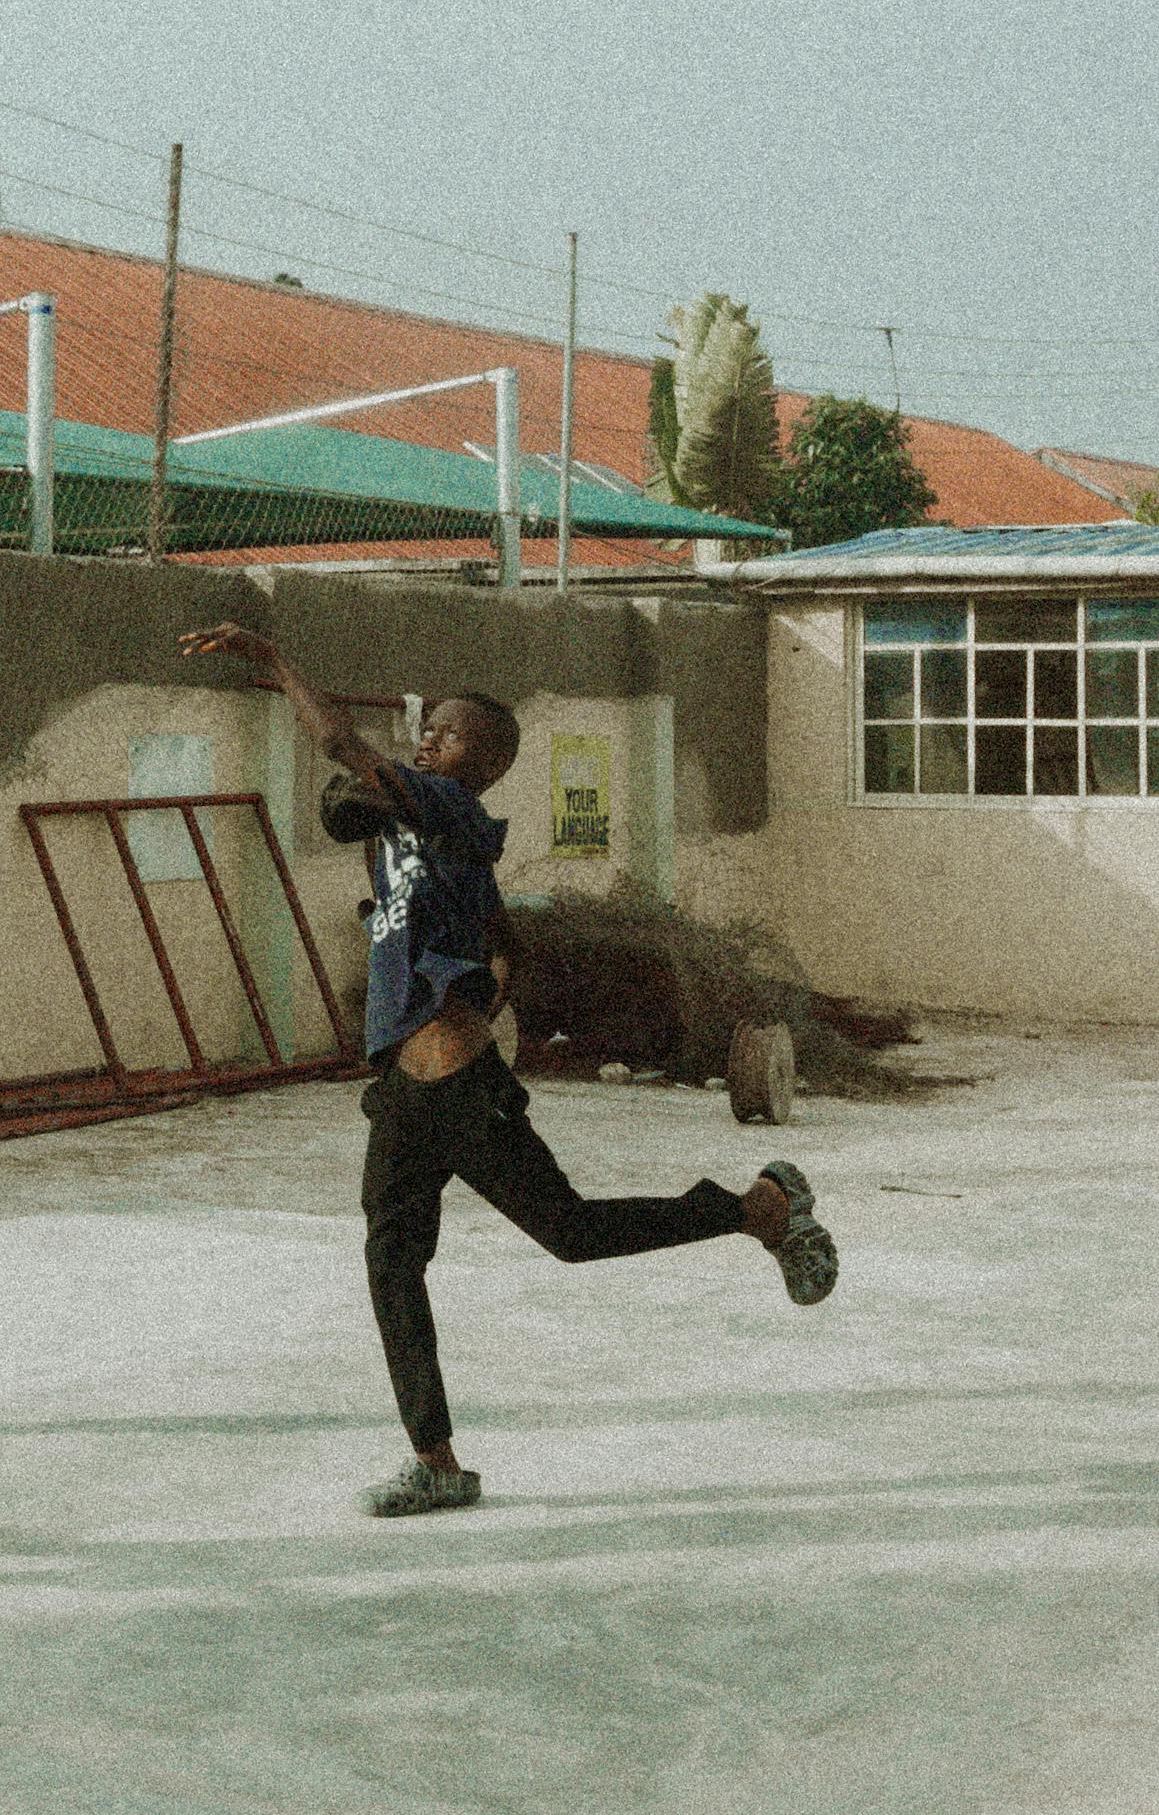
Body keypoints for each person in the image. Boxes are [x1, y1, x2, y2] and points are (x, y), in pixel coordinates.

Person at [179, 627, 838, 1516]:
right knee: (390, 1262)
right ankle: (436, 1459)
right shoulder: (409, 833)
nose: (426, 742)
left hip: (458, 1089)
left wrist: (276, 662)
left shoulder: (451, 813)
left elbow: (340, 743)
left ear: (481, 762)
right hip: (404, 1096)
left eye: (446, 736)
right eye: (427, 732)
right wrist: (484, 999)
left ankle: (759, 1206)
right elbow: (504, 940)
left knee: (568, 1232)